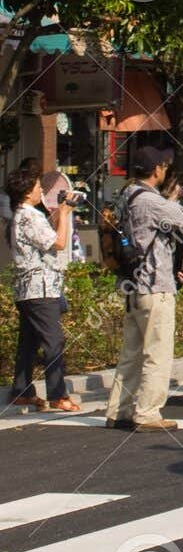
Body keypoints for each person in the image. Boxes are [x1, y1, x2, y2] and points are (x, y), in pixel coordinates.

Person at [104, 146, 183, 430]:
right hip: (155, 286)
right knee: (157, 353)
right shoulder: (150, 200)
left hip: (133, 286)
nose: (165, 170)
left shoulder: (128, 196)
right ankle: (147, 413)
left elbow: (155, 221)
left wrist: (172, 199)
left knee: (131, 353)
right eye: (164, 167)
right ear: (156, 170)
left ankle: (118, 411)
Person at [4, 164, 81, 414]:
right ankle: (58, 395)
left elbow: (46, 237)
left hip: (27, 290)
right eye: (38, 186)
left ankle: (22, 391)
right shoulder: (29, 216)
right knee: (53, 341)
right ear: (27, 191)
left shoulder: (22, 215)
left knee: (29, 341)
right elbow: (58, 242)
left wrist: (60, 210)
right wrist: (66, 214)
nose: (40, 190)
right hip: (41, 288)